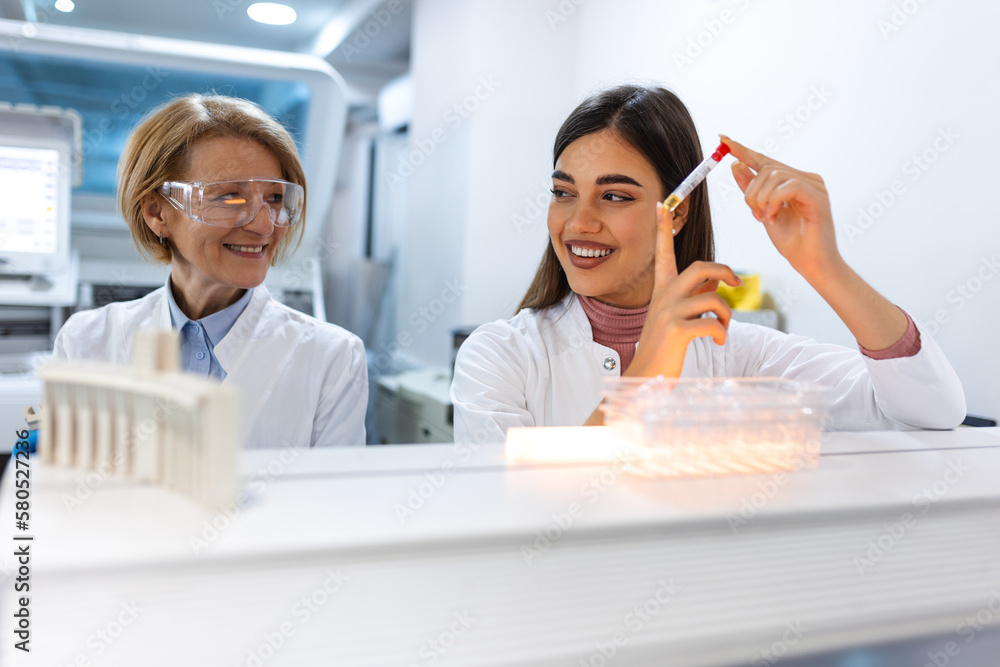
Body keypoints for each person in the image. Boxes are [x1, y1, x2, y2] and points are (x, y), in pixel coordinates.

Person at [451, 84, 965, 444]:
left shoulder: (737, 355)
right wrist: (648, 372)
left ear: (676, 212)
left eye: (615, 197)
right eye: (564, 193)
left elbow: (934, 412)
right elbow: (515, 516)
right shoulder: (500, 357)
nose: (578, 222)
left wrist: (826, 266)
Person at [53, 94, 367, 448]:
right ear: (157, 213)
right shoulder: (86, 342)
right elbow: (68, 494)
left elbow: (330, 501)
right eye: (229, 197)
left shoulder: (332, 358)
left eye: (276, 198)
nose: (265, 225)